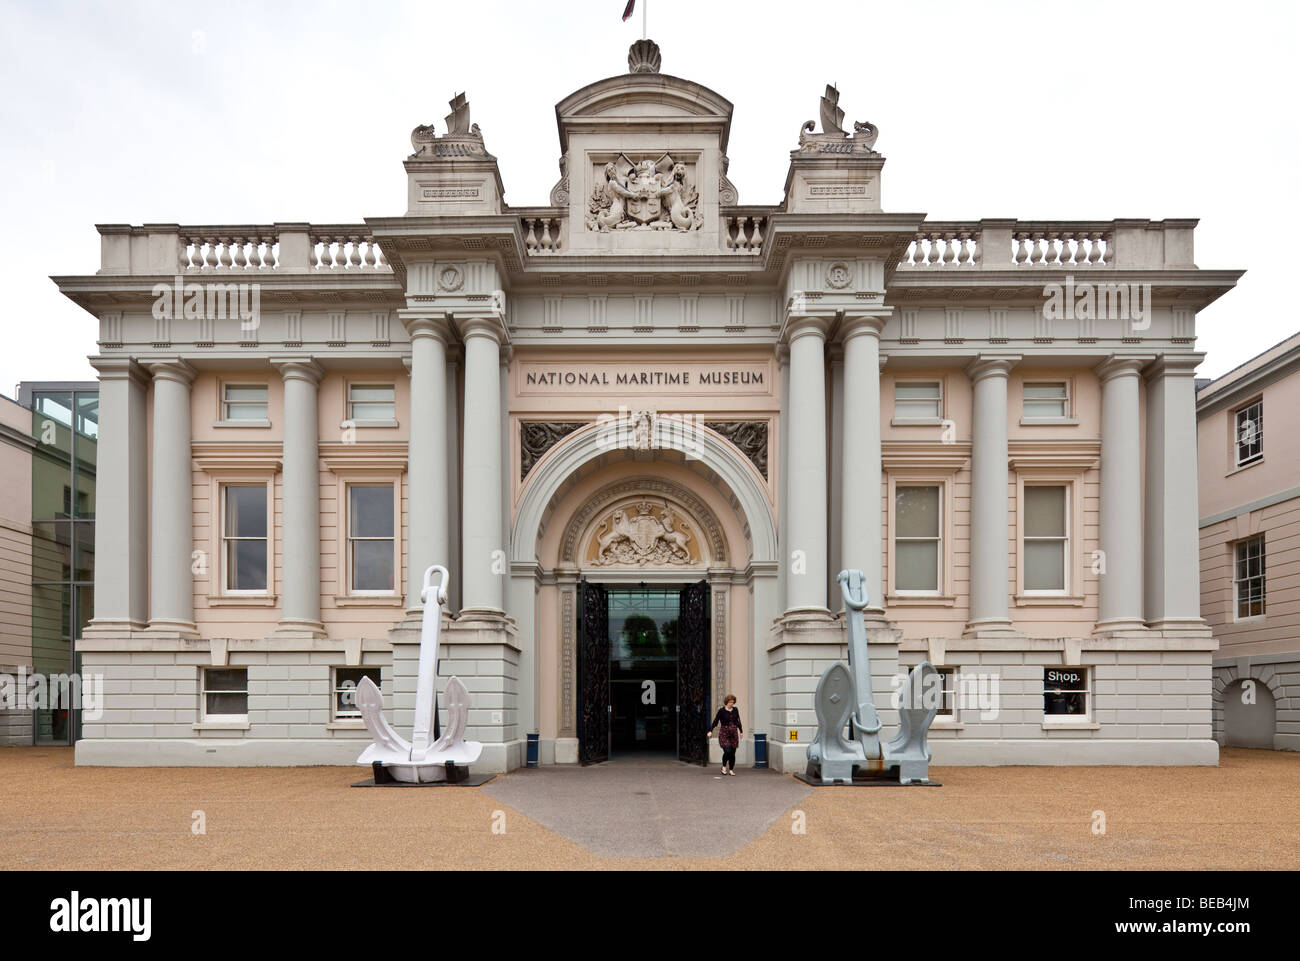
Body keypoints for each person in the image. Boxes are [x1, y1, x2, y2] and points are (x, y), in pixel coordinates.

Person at [707, 695, 743, 776]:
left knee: (732, 753)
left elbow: (738, 721)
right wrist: (710, 730)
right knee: (727, 750)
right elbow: (715, 721)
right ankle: (723, 766)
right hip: (724, 733)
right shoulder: (721, 711)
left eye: (733, 702)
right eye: (730, 702)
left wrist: (741, 731)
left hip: (734, 733)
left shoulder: (735, 710)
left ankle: (731, 769)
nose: (731, 704)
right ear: (726, 702)